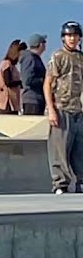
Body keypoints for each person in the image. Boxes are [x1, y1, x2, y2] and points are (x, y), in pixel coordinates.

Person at [45, 21, 83, 194]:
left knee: (78, 149)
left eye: (75, 35)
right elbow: (48, 84)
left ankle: (80, 181)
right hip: (61, 108)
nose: (72, 39)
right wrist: (51, 109)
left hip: (78, 109)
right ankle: (60, 183)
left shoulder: (81, 58)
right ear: (63, 38)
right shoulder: (58, 56)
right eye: (69, 35)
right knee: (59, 149)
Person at [20, 33, 48, 116]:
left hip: (37, 99)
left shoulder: (34, 58)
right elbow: (27, 80)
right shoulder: (30, 59)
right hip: (32, 100)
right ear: (40, 45)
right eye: (44, 42)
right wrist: (44, 80)